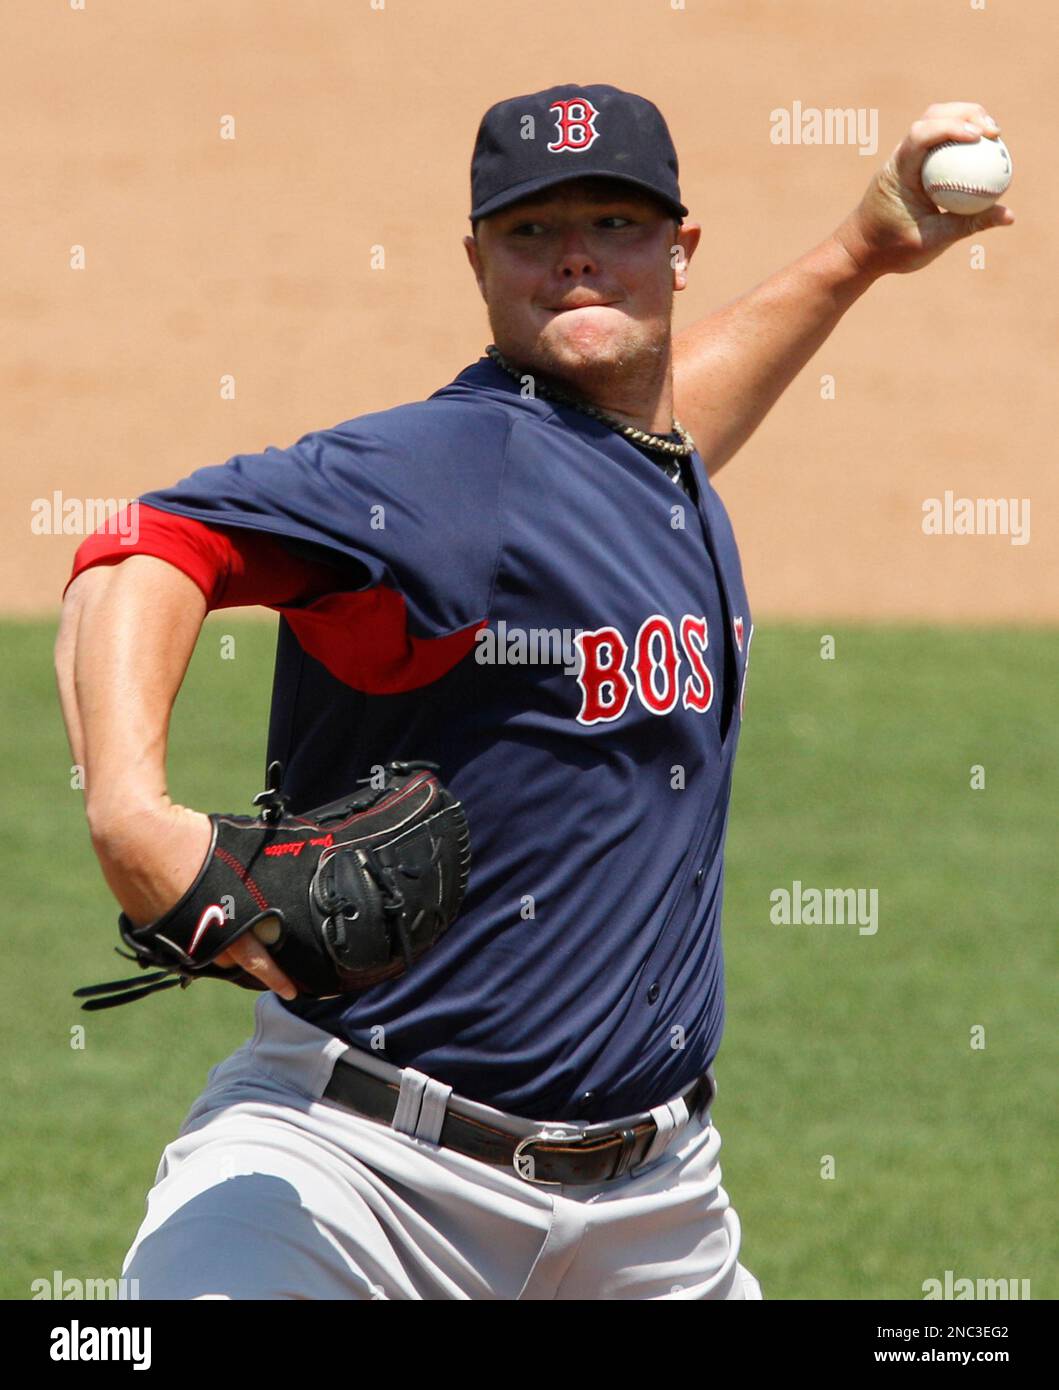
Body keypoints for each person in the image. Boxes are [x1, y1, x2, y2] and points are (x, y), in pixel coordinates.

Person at [55, 84, 1011, 1300]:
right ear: (476, 262)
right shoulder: (446, 468)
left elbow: (670, 414)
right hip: (355, 1185)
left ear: (681, 247)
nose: (575, 259)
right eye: (530, 233)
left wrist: (860, 249)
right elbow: (147, 545)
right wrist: (132, 814)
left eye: (614, 224)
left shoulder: (635, 461)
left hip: (654, 1216)